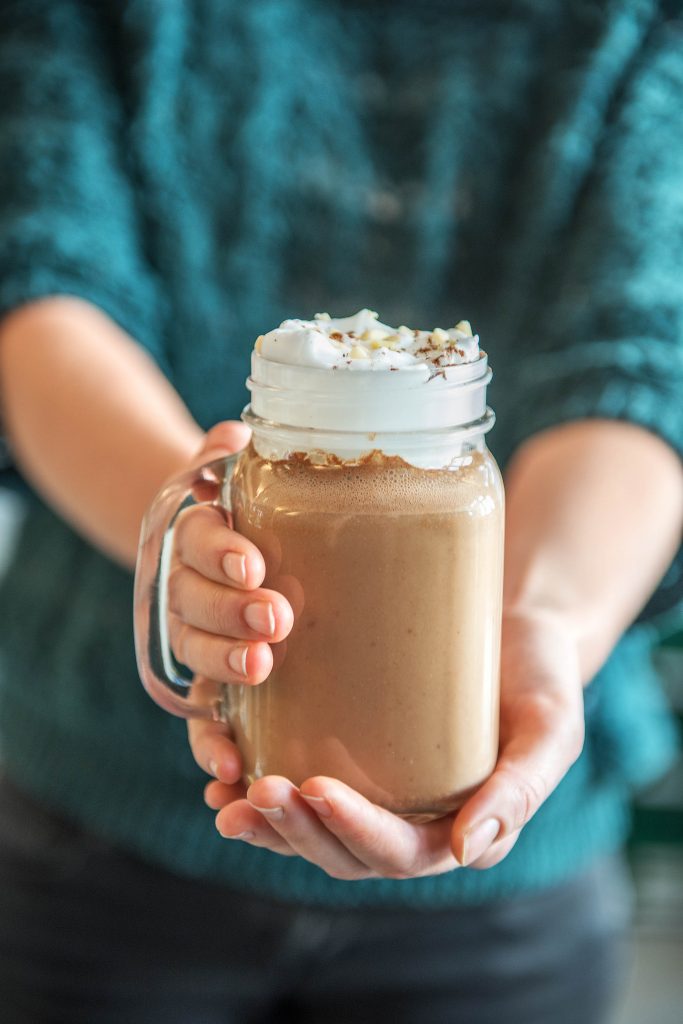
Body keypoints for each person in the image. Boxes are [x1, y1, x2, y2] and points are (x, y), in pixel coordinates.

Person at [0, 1, 682, 1022]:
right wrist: (189, 524)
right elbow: (45, 279)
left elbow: (642, 358)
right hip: (94, 830)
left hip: (503, 901)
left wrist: (539, 620)